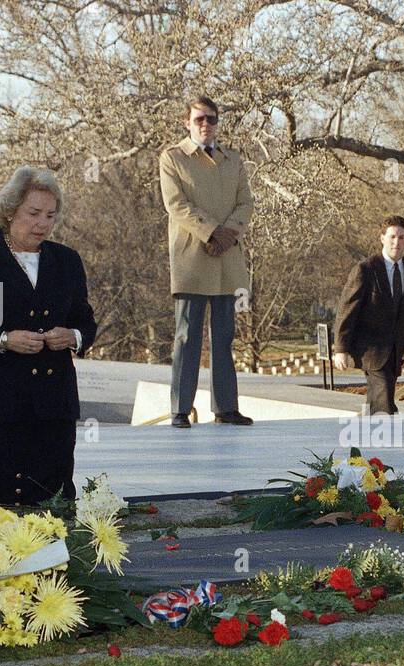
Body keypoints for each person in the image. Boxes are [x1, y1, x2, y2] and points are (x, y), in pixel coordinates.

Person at [0, 166, 96, 509]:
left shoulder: (67, 261)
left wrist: (71, 336)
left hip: (52, 407)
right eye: (34, 213)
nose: (42, 223)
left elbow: (86, 323)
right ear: (10, 211)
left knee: (51, 509)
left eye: (51, 215)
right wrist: (4, 340)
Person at [159, 95, 255, 427]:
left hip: (227, 258)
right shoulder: (172, 159)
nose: (205, 125)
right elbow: (176, 205)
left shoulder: (234, 160)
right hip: (192, 259)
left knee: (225, 336)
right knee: (187, 337)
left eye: (211, 119)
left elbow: (246, 203)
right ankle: (180, 409)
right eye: (199, 119)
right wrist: (212, 233)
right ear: (187, 122)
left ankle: (226, 407)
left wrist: (228, 234)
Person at [333, 216, 404, 414]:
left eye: (401, 237)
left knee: (380, 399)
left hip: (396, 351)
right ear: (382, 238)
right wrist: (341, 348)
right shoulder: (365, 269)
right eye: (392, 236)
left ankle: (374, 437)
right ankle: (386, 430)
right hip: (370, 350)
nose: (396, 242)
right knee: (384, 399)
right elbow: (347, 310)